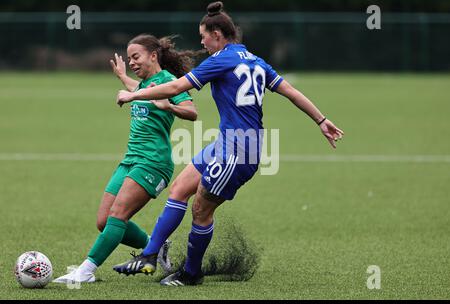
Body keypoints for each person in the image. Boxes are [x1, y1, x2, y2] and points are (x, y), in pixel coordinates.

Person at [114, 1, 344, 286]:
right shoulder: (255, 60)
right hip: (226, 143)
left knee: (201, 208)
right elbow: (291, 92)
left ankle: (191, 274)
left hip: (239, 150)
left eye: (203, 36)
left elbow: (175, 88)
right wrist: (321, 120)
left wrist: (133, 95)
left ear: (218, 34)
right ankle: (149, 255)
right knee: (180, 187)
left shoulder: (221, 60)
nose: (202, 42)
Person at [53, 34, 198, 283]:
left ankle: (85, 271)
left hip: (153, 162)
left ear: (153, 55)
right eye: (129, 58)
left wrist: (168, 106)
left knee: (118, 216)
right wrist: (122, 78)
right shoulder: (145, 85)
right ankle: (157, 248)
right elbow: (139, 91)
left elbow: (192, 112)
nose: (132, 62)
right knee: (103, 220)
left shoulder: (169, 82)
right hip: (130, 160)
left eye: (136, 57)